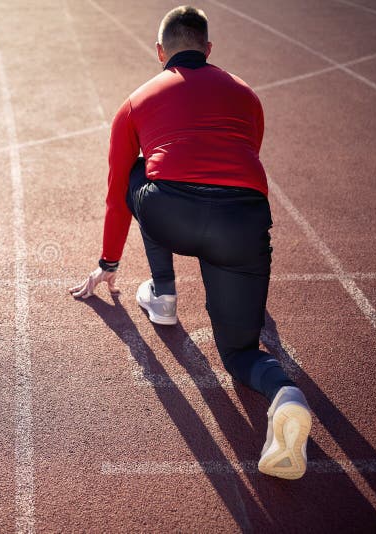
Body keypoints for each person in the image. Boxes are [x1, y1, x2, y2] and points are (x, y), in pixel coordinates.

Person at [68, 5, 312, 480]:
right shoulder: (246, 94)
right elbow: (244, 161)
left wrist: (108, 262)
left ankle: (164, 295)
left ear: (160, 52)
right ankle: (287, 395)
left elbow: (118, 194)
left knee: (141, 171)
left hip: (171, 213)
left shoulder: (137, 100)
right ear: (209, 49)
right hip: (242, 224)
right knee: (241, 354)